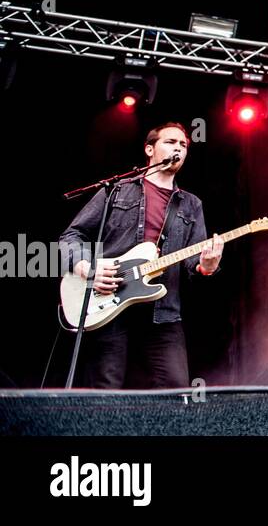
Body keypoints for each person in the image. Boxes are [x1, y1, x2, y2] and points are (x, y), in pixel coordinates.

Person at [60, 122, 223, 388]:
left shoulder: (192, 204)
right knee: (104, 390)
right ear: (150, 149)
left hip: (163, 312)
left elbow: (195, 265)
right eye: (171, 142)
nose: (179, 148)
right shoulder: (117, 190)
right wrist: (87, 269)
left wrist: (207, 266)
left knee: (176, 390)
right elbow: (71, 237)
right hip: (108, 301)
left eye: (183, 145)